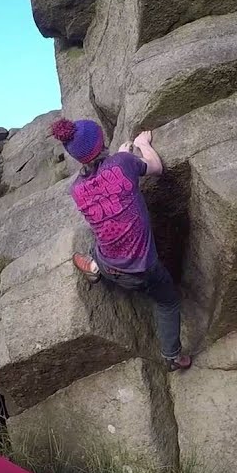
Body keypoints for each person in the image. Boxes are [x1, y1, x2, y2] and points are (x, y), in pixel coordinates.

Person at [50, 117, 192, 372]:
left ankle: (94, 266)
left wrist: (119, 157)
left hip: (109, 263)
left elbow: (105, 183)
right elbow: (156, 167)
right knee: (167, 302)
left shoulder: (76, 189)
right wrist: (142, 144)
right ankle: (172, 356)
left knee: (102, 231)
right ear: (101, 141)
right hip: (142, 269)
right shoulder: (123, 163)